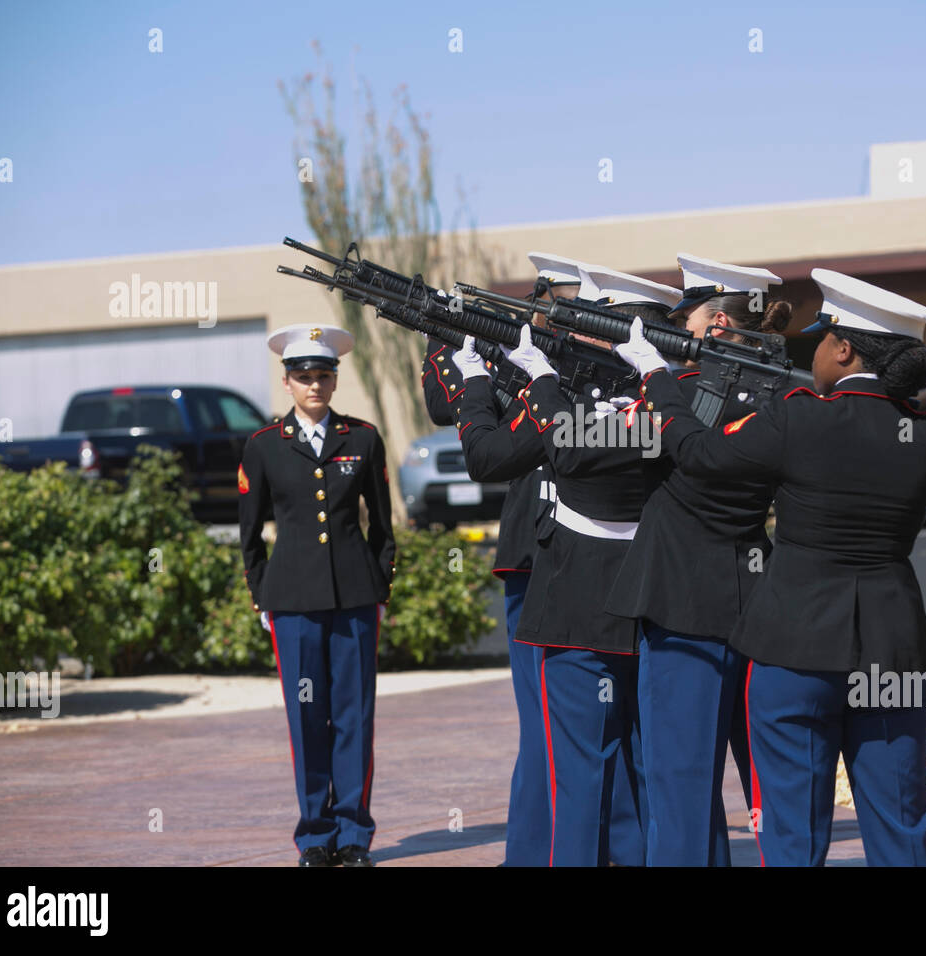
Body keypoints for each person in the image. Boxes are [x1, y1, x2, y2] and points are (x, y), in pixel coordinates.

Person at [612, 269, 926, 866]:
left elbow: (699, 455)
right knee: (901, 823)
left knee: (793, 833)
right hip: (891, 646)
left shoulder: (799, 418)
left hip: (793, 648)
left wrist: (656, 381)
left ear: (845, 349)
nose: (815, 348)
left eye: (824, 337)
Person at [452, 265, 681, 865]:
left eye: (596, 324)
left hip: (579, 607)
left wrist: (516, 379)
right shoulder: (670, 402)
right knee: (633, 765)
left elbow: (560, 444)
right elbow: (493, 455)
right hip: (645, 605)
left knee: (574, 774)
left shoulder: (630, 412)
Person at [604, 254, 789, 865]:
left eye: (687, 320)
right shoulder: (791, 397)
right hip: (758, 600)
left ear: (716, 327)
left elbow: (592, 452)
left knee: (681, 782)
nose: (677, 332)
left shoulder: (675, 393)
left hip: (682, 606)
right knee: (770, 783)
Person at [417, 252, 574, 866]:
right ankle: (537, 851)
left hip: (604, 554)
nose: (572, 319)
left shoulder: (610, 365)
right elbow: (442, 403)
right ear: (539, 302)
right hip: (535, 549)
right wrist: (446, 333)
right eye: (562, 304)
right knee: (542, 724)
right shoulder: (518, 352)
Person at [238, 323, 396, 867]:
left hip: (354, 598)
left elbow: (382, 523)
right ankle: (314, 836)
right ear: (287, 382)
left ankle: (353, 835)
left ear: (334, 379)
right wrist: (262, 594)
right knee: (307, 718)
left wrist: (380, 583)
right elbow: (249, 531)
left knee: (354, 716)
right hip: (293, 603)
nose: (314, 386)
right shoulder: (263, 447)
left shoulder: (363, 438)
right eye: (303, 377)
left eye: (323, 376)